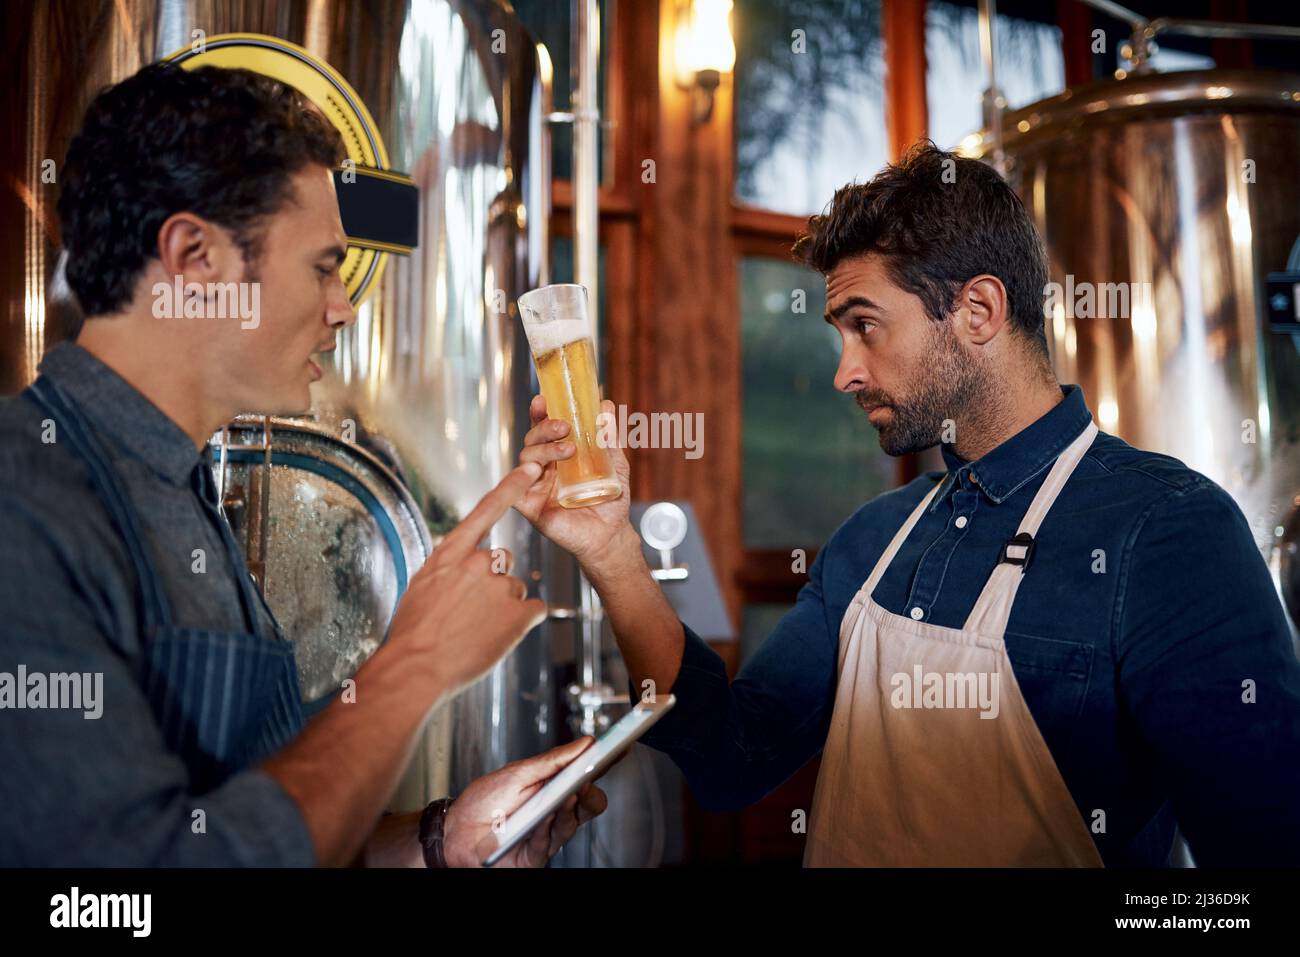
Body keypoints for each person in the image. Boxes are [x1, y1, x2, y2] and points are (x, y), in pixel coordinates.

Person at [514, 142, 1300, 866]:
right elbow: (730, 758)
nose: (843, 373)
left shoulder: (1167, 532)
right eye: (838, 334)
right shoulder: (874, 537)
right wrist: (611, 549)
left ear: (980, 312)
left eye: (866, 327)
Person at [0, 62, 605, 867]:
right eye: (323, 265)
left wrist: (438, 841)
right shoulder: (26, 499)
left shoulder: (181, 490)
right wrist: (416, 664)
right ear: (194, 257)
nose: (345, 306)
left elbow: (246, 824)